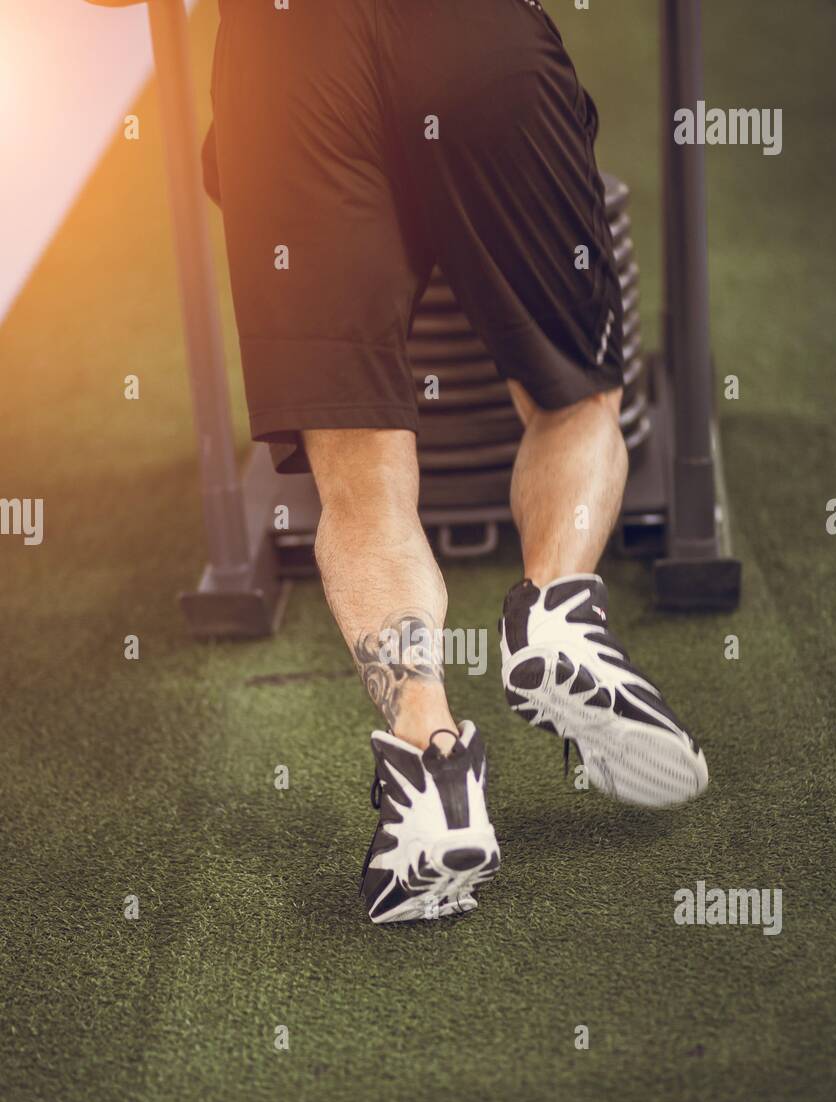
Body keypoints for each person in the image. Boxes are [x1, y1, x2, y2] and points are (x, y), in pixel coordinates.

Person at [207, 0, 707, 925]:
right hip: (471, 37)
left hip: (285, 68)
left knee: (356, 481)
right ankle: (558, 610)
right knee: (575, 395)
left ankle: (432, 758)